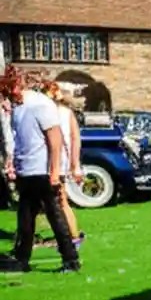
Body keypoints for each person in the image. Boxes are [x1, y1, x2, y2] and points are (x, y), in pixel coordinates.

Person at [0, 66, 80, 274]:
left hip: (43, 170)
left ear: (17, 86)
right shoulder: (17, 108)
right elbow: (19, 139)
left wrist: (54, 172)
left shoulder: (40, 104)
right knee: (25, 217)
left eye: (9, 92)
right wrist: (13, 163)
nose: (8, 98)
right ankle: (22, 258)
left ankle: (71, 259)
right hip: (27, 170)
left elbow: (55, 138)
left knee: (55, 214)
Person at [43, 82, 85, 246]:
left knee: (59, 200)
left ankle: (71, 236)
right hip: (62, 161)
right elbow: (75, 140)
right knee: (60, 200)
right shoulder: (67, 113)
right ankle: (70, 234)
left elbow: (73, 139)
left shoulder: (49, 113)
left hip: (51, 162)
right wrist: (75, 165)